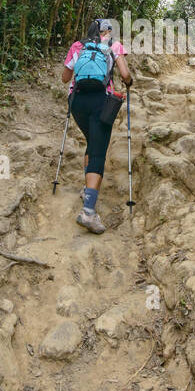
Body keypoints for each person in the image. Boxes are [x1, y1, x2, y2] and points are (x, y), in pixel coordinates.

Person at [61, 18, 132, 233]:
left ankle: (87, 189)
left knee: (92, 142)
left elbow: (65, 78)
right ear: (107, 31)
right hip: (101, 101)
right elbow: (125, 74)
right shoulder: (113, 46)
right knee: (99, 152)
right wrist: (129, 83)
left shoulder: (78, 45)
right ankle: (88, 212)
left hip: (77, 102)